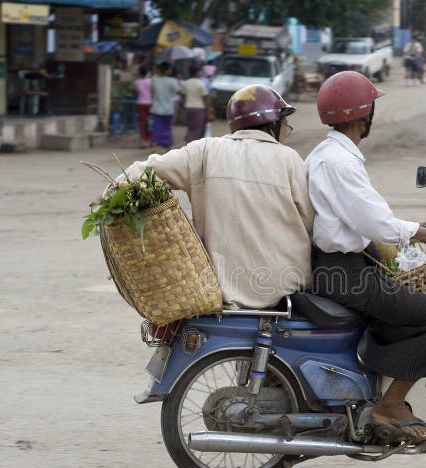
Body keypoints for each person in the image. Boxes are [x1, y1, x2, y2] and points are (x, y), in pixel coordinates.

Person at [306, 71, 426, 442]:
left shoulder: (324, 155)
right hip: (348, 274)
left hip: (339, 267)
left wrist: (413, 230)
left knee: (405, 310)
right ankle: (392, 404)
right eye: (370, 108)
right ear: (362, 115)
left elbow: (363, 218)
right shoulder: (341, 162)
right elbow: (378, 224)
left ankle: (375, 390)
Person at [121, 85, 314, 309]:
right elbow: (308, 222)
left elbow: (141, 172)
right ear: (273, 124)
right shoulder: (290, 159)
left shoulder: (205, 151)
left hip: (217, 291)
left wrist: (110, 193)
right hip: (285, 290)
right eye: (285, 125)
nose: (285, 132)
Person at [149, 62, 179, 151]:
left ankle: (155, 144)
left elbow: (152, 89)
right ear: (167, 70)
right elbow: (177, 90)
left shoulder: (154, 79)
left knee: (156, 128)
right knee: (167, 128)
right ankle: (167, 145)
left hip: (156, 108)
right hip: (168, 109)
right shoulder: (172, 81)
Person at [181, 64, 213, 143]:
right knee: (198, 129)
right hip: (199, 109)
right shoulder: (200, 83)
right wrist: (209, 110)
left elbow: (183, 97)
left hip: (188, 108)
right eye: (200, 71)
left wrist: (183, 108)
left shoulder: (186, 83)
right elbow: (205, 98)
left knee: (190, 127)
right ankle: (193, 144)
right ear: (197, 72)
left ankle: (189, 142)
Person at [134, 65, 152, 148]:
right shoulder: (150, 81)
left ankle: (143, 141)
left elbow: (137, 91)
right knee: (150, 122)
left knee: (142, 122)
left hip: (141, 103)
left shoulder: (137, 82)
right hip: (150, 103)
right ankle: (151, 139)